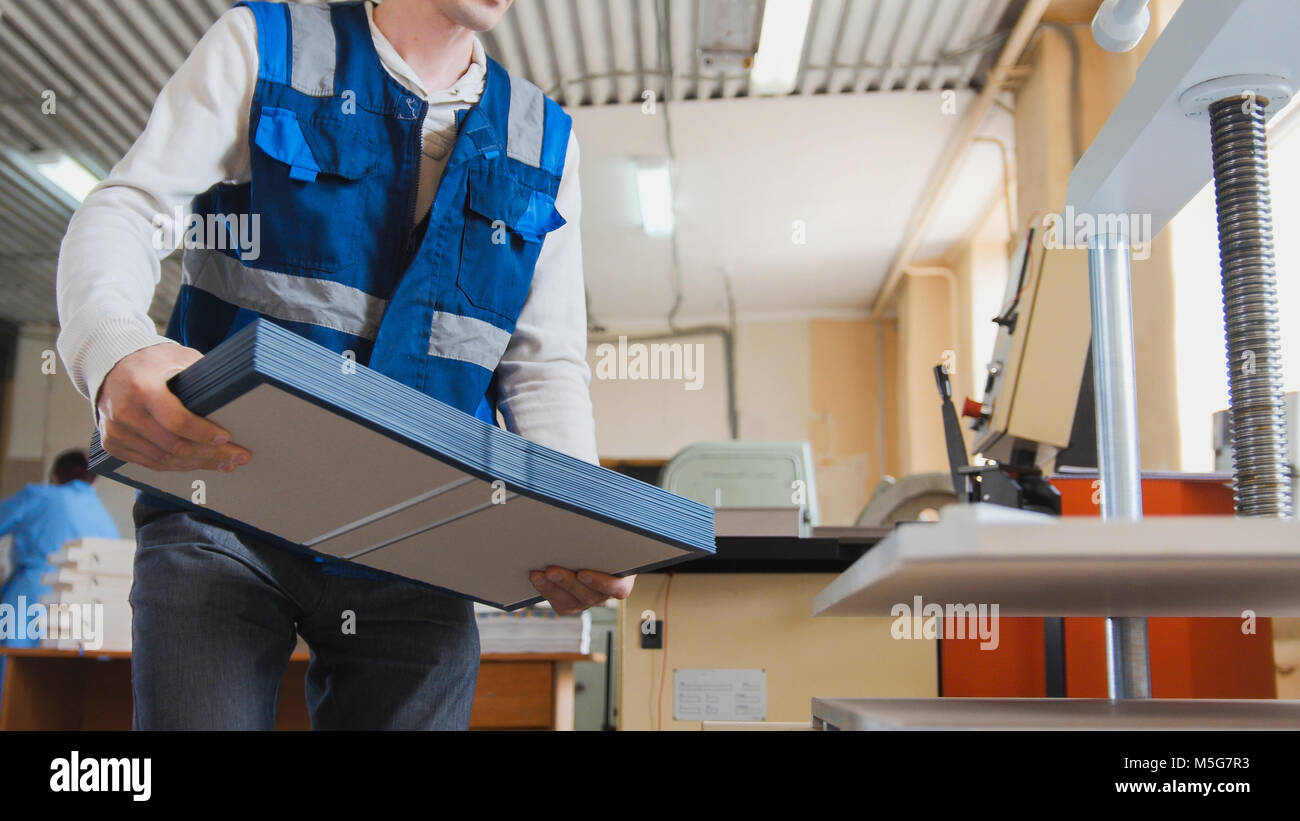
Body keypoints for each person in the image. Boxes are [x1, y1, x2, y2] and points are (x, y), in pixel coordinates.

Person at [56, 0, 632, 729]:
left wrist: (571, 524)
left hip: (418, 547)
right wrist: (112, 348)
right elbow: (128, 209)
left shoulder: (543, 139)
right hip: (226, 511)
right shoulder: (268, 47)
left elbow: (542, 363)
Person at [0, 450, 119, 660]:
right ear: (94, 481)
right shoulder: (106, 519)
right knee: (66, 679)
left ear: (55, 476)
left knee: (14, 675)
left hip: (32, 596)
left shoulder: (41, 495)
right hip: (86, 608)